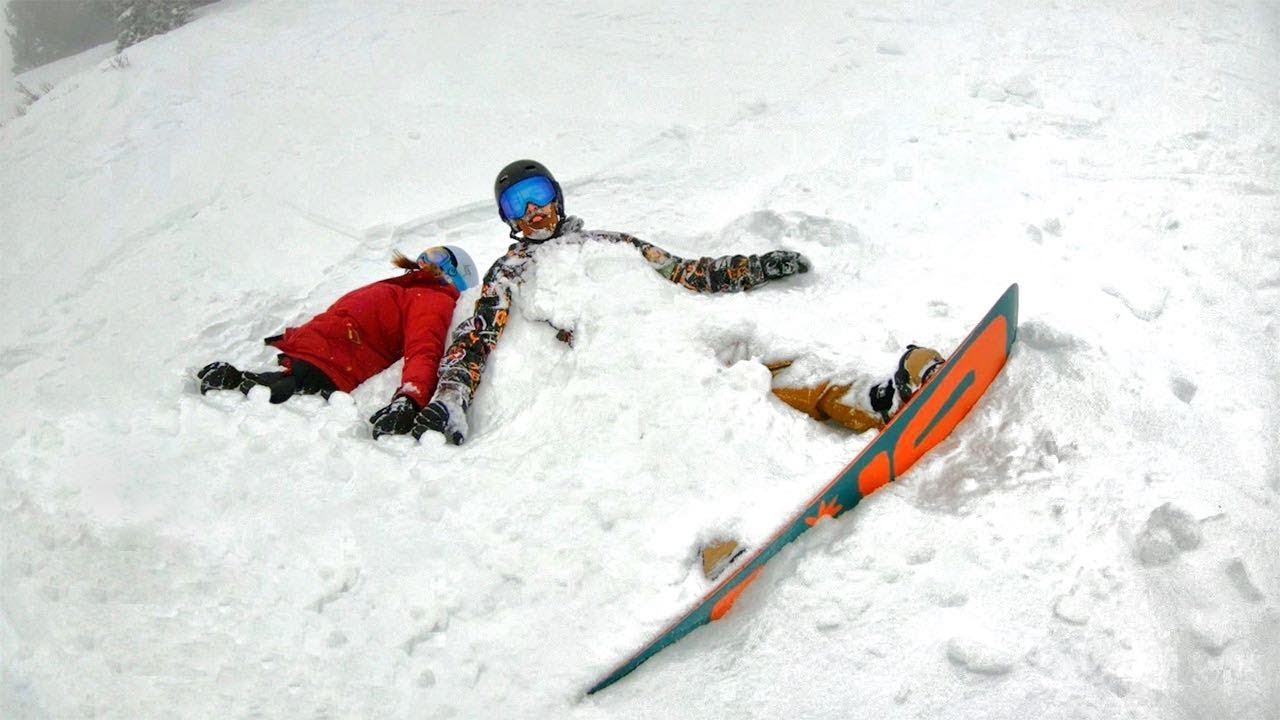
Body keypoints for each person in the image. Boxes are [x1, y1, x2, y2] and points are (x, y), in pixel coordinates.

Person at [409, 160, 945, 447]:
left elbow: (688, 272)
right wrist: (450, 398)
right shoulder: (511, 273)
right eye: (518, 205)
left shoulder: (611, 243)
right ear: (507, 218)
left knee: (763, 359)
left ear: (559, 197)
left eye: (541, 196)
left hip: (676, 332)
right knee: (681, 426)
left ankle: (877, 399)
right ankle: (711, 540)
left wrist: (756, 267)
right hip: (620, 369)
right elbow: (474, 342)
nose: (534, 212)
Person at [197, 245, 480, 439]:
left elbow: (424, 347)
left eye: (439, 255)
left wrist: (409, 399)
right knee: (275, 386)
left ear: (458, 274)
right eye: (426, 253)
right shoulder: (408, 288)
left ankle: (239, 387)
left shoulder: (433, 297)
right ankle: (241, 384)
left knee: (273, 393)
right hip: (317, 351)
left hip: (334, 362)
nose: (426, 259)